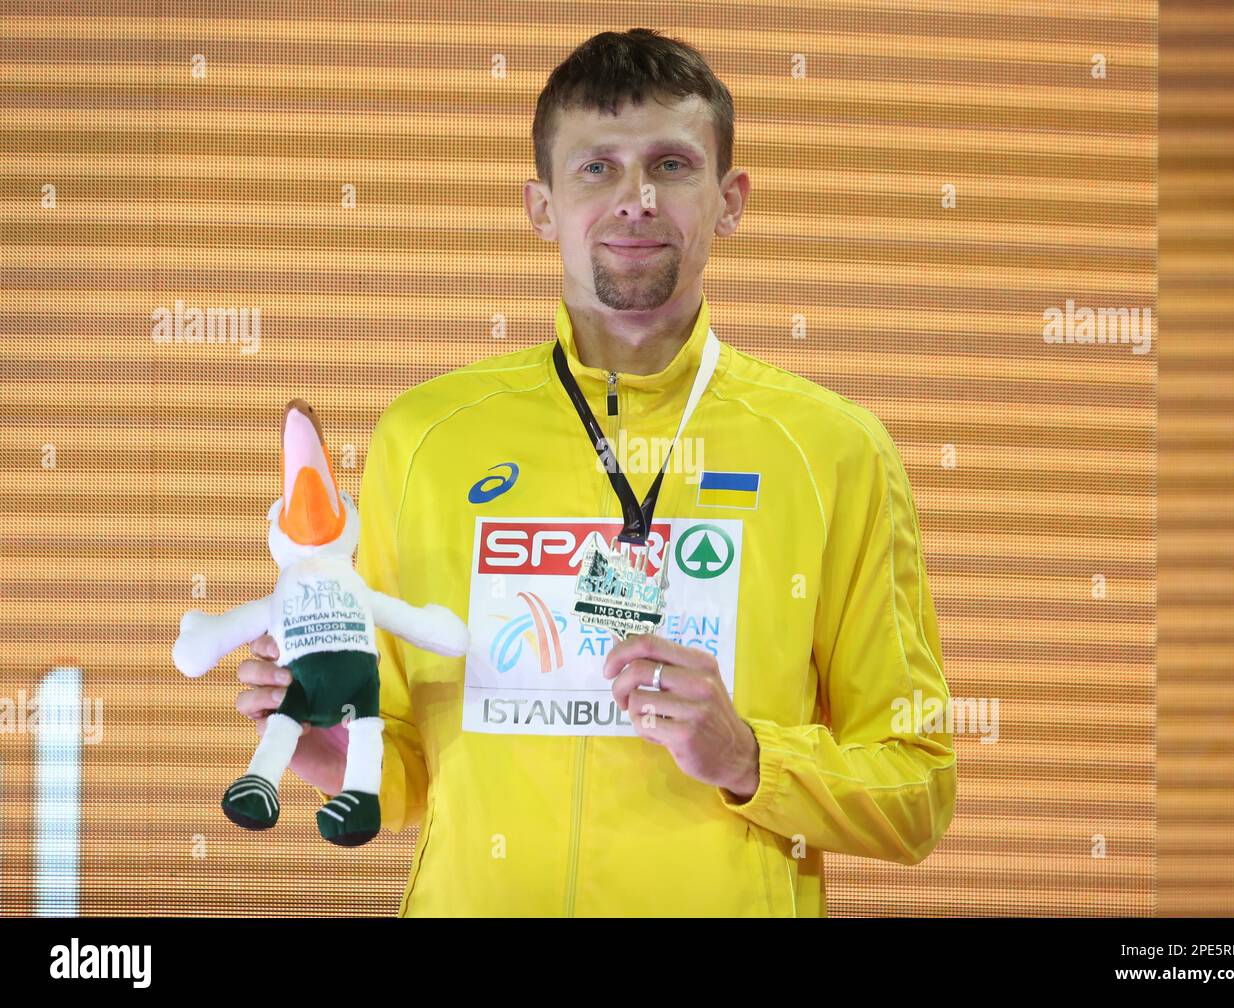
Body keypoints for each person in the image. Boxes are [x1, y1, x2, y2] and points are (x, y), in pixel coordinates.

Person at [235, 27, 955, 916]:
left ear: (730, 200)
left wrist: (751, 760)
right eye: (596, 168)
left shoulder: (833, 450)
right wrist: (317, 743)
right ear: (541, 208)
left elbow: (916, 792)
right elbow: (409, 775)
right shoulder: (426, 437)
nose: (636, 199)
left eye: (672, 165)